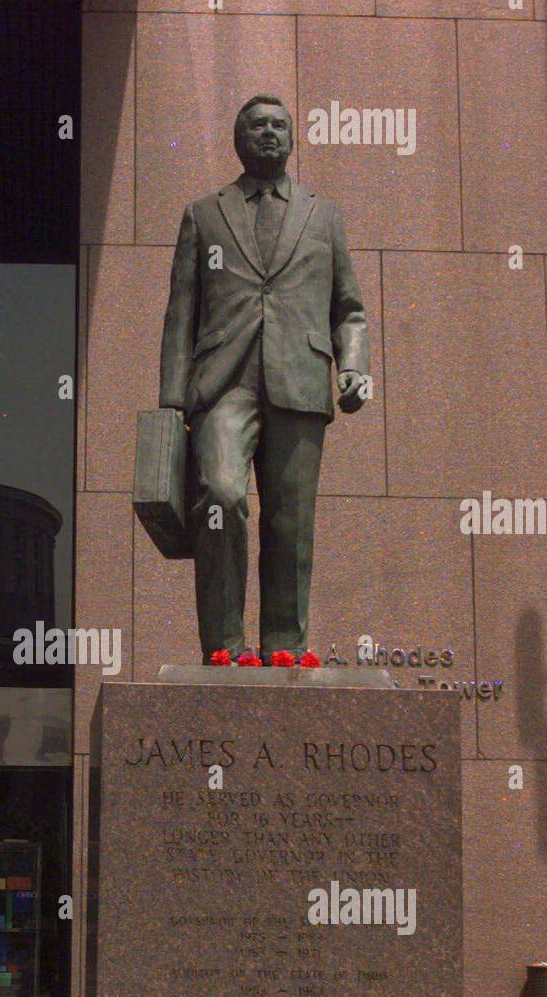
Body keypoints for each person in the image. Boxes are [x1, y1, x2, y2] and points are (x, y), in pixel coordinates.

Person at [158, 94, 371, 663]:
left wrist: (352, 366)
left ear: (292, 138)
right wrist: (171, 402)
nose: (269, 133)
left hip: (300, 381)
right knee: (222, 496)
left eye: (279, 125)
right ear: (239, 138)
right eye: (258, 125)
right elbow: (181, 312)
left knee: (291, 520)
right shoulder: (204, 214)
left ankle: (284, 645)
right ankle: (224, 645)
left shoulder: (323, 215)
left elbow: (348, 308)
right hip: (223, 384)